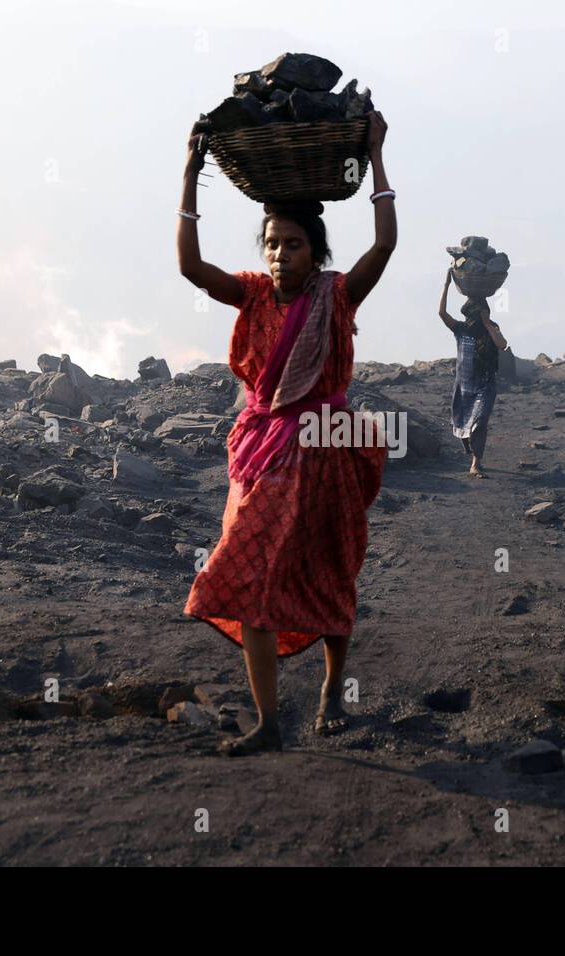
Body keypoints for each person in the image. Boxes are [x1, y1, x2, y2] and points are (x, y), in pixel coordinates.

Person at [176, 111, 396, 756]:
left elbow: (383, 247)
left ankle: (332, 690)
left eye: (293, 244)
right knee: (249, 574)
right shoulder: (248, 295)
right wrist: (191, 172)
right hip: (262, 450)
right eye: (272, 243)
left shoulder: (338, 295)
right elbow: (191, 267)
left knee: (330, 568)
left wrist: (378, 156)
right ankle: (269, 724)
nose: (279, 254)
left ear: (316, 252)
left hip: (325, 448)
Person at [439, 271, 506, 477]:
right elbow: (441, 313)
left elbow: (502, 345)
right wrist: (446, 285)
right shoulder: (461, 329)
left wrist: (487, 323)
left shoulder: (491, 328)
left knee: (480, 421)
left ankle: (475, 464)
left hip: (486, 383)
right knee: (462, 421)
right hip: (464, 384)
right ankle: (471, 451)